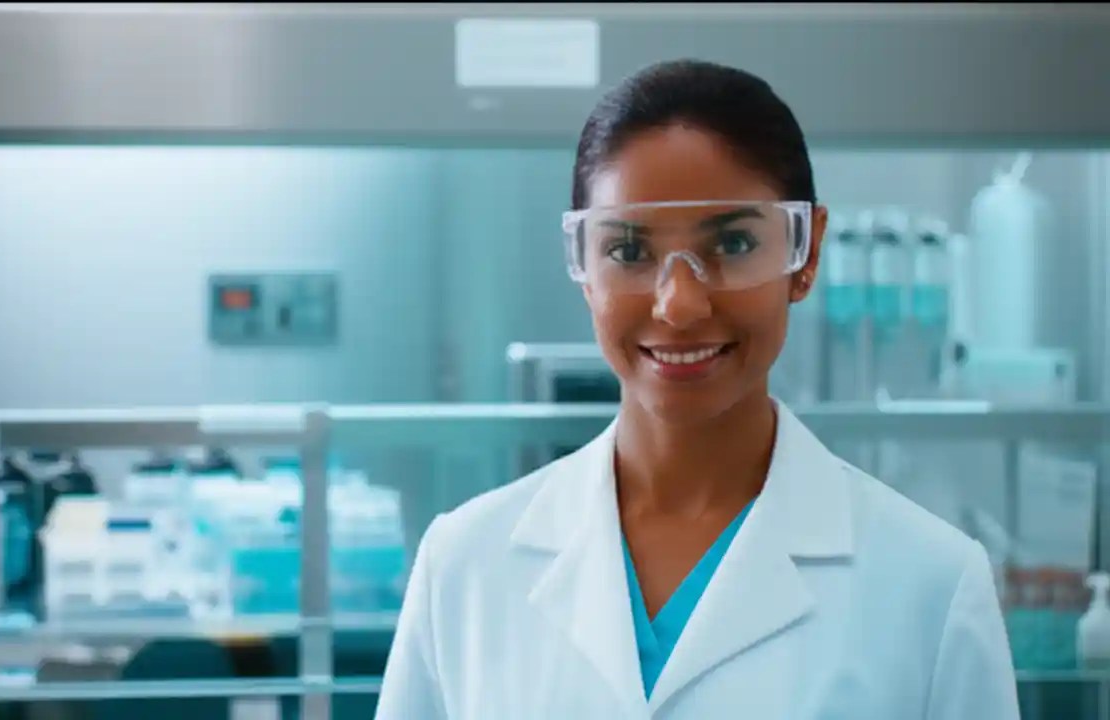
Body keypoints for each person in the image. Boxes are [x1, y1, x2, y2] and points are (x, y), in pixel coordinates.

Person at [374, 59, 1019, 719]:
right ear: (584, 267)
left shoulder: (930, 585)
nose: (679, 303)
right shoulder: (464, 567)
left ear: (807, 254)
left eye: (733, 244)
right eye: (629, 252)